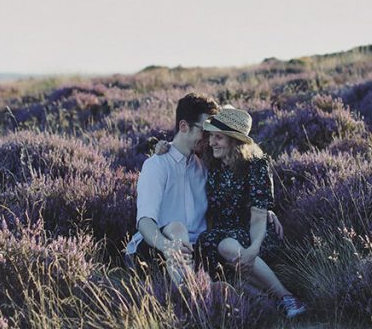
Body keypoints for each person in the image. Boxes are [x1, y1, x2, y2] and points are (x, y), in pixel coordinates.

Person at [153, 105, 307, 319]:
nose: (212, 142)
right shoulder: (211, 159)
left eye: (219, 138)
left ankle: (288, 297)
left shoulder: (256, 165)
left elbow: (258, 215)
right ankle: (267, 303)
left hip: (253, 233)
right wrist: (163, 146)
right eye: (211, 136)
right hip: (219, 234)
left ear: (235, 142)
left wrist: (254, 247)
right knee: (217, 260)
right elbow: (180, 146)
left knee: (228, 247)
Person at [124, 93, 219, 282]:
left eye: (212, 132)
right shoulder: (157, 165)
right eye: (204, 131)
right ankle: (192, 295)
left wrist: (264, 210)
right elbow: (145, 222)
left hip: (194, 249)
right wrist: (168, 247)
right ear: (184, 126)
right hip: (156, 246)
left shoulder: (205, 166)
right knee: (177, 228)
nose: (209, 138)